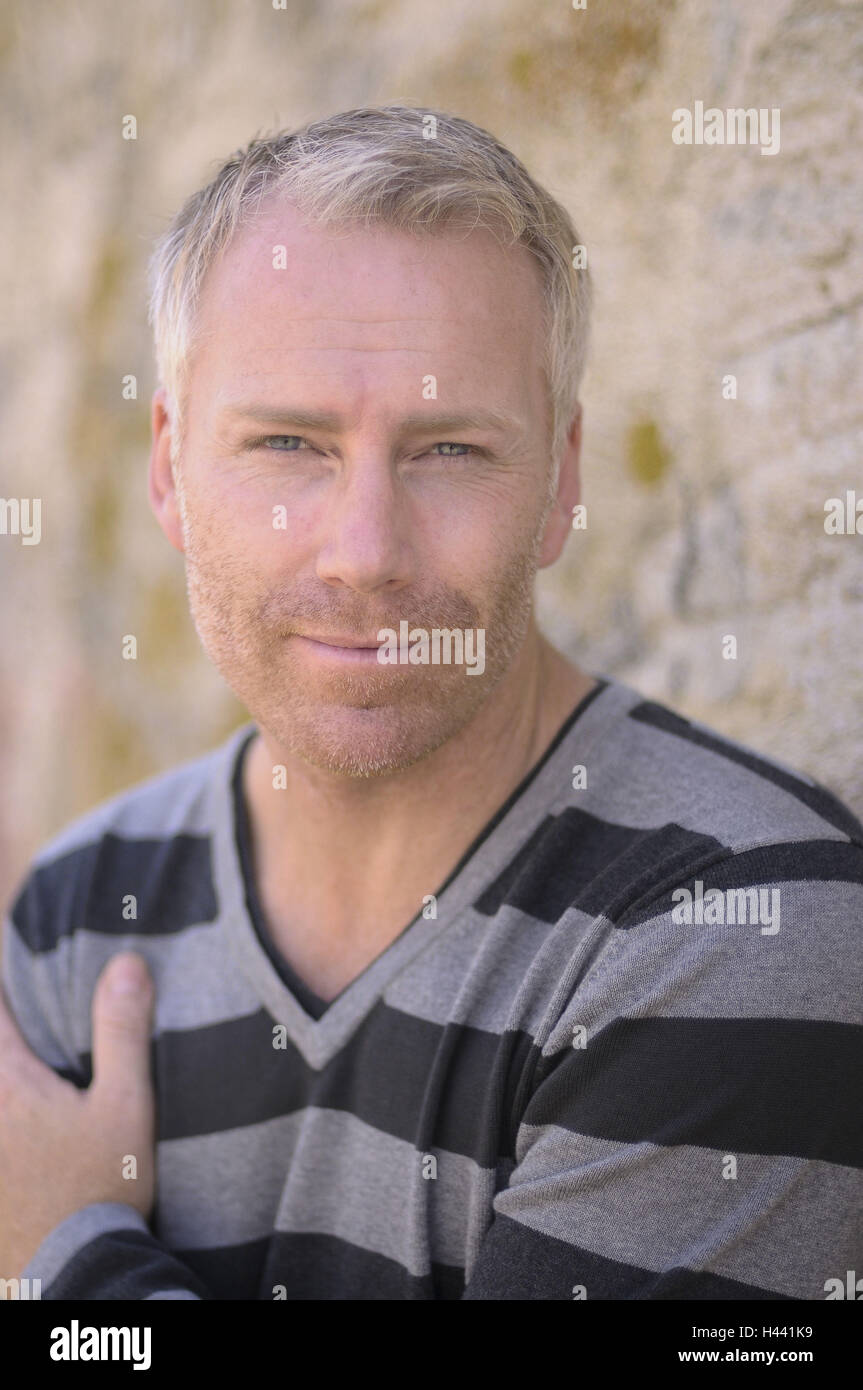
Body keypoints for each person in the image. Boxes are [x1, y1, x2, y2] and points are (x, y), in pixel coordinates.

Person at [1, 105, 861, 1301]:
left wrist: (61, 1249)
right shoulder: (80, 913)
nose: (364, 554)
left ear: (560, 481)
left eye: (449, 449)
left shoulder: (751, 929)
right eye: (288, 444)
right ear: (168, 470)